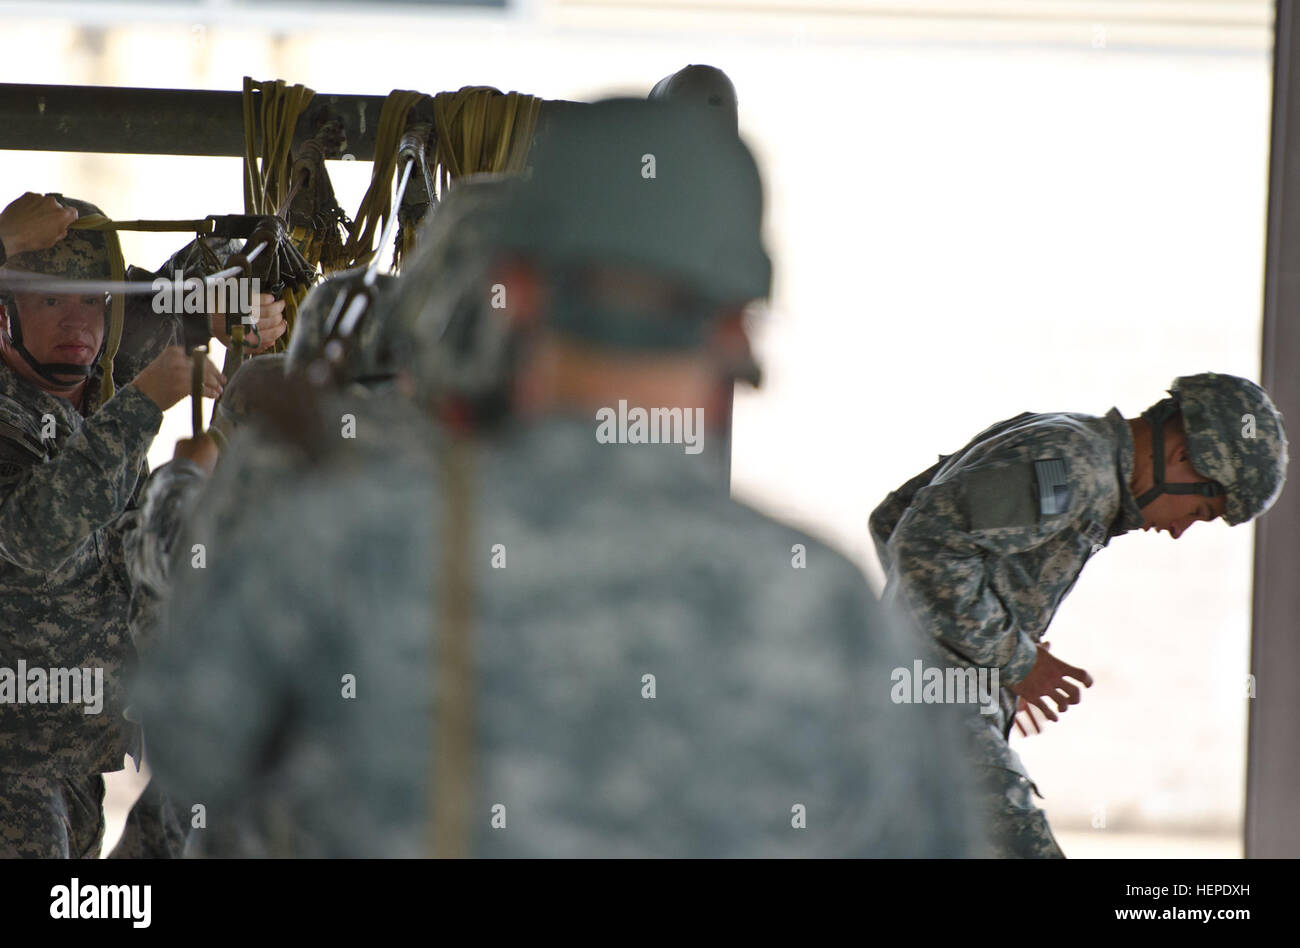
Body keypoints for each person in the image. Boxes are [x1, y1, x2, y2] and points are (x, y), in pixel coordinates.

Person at [134, 100, 986, 858]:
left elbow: (189, 752)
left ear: (516, 296)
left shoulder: (343, 540)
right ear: (737, 327)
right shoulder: (825, 612)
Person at [870, 374, 1288, 857]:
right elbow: (922, 542)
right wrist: (1012, 659)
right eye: (1199, 509)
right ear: (1183, 459)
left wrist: (975, 657)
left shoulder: (1065, 440)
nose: (1179, 530)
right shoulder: (1075, 467)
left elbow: (894, 519)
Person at [0, 205, 226, 858]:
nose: (78, 321)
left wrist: (243, 314)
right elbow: (36, 535)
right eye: (51, 301)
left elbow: (132, 564)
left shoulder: (95, 404)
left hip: (75, 754)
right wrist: (147, 403)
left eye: (95, 302)